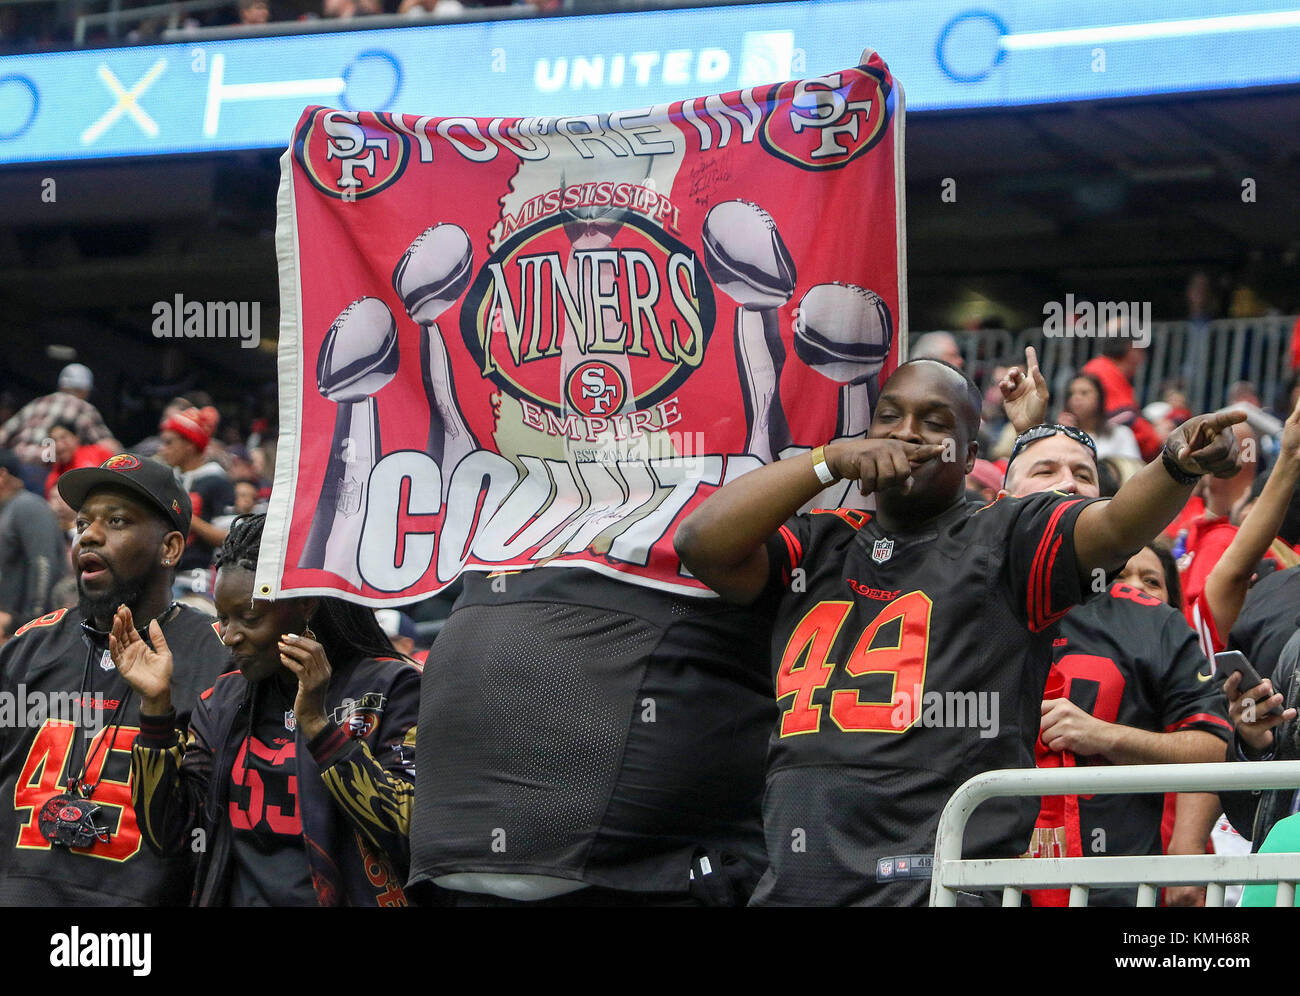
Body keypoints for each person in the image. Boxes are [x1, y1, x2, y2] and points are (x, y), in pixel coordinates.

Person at [674, 357, 1243, 905]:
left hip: (931, 886)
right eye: (890, 416)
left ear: (970, 454)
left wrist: (1175, 465)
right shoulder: (821, 541)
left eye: (935, 422)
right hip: (798, 878)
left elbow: (1116, 525)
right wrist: (827, 461)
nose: (907, 433)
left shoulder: (1003, 538)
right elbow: (701, 545)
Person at [120, 513, 420, 906]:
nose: (230, 637)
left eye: (249, 617)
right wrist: (156, 712)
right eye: (223, 618)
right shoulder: (223, 700)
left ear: (306, 605)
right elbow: (169, 836)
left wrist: (318, 727)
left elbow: (410, 830)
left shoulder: (392, 688)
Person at [0, 453, 227, 904]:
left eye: (117, 521)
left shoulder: (218, 659)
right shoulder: (28, 647)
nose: (90, 535)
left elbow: (209, 828)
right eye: (83, 523)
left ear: (170, 548)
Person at [156, 406, 234, 597]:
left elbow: (230, 539)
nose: (162, 449)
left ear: (189, 445)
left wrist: (185, 517)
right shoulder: (168, 478)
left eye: (169, 443)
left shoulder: (217, 481)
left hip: (198, 579)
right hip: (161, 575)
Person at [0, 364, 120, 469]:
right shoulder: (84, 408)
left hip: (15, 465)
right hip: (45, 466)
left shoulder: (38, 402)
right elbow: (108, 446)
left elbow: (3, 434)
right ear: (85, 390)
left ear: (61, 385)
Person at [0, 448, 68, 622]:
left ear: (2, 475)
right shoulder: (7, 510)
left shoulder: (28, 506)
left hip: (26, 628)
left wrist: (33, 620)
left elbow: (43, 564)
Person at [1082, 338, 1162, 461]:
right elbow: (1123, 418)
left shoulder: (1107, 369)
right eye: (1142, 352)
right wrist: (1156, 437)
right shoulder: (1101, 370)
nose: (1143, 360)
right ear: (1132, 349)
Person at [1059, 373, 1141, 463]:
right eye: (1071, 394)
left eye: (1084, 393)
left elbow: (1131, 468)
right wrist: (1064, 434)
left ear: (1099, 398)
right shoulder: (1061, 433)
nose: (1076, 398)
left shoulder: (1120, 433)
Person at [42, 420, 114, 499]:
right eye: (53, 441)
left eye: (63, 437)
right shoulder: (53, 477)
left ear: (76, 438)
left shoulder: (98, 452)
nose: (59, 445)